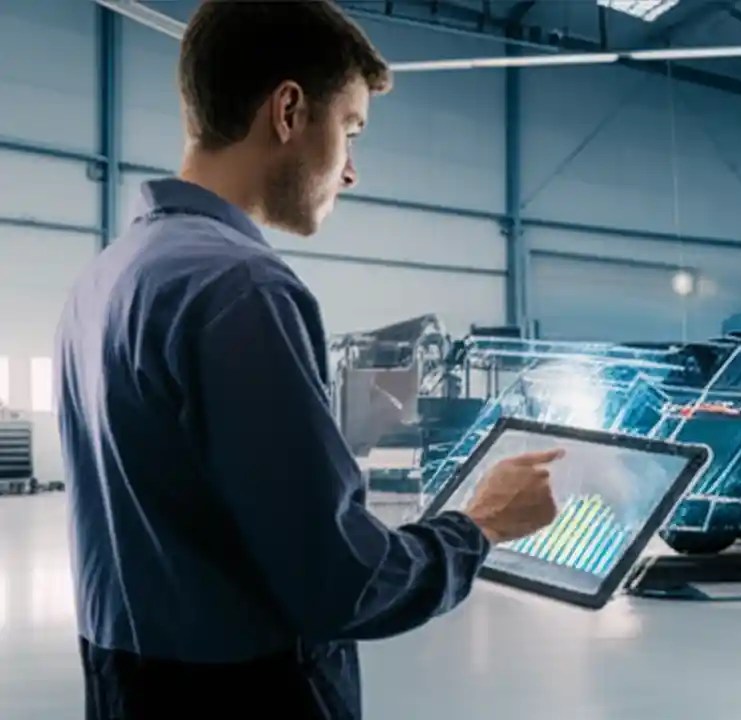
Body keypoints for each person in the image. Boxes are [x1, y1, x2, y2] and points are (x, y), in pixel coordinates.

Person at [54, 2, 560, 718]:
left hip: (129, 685)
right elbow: (343, 584)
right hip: (243, 694)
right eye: (350, 130)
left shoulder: (106, 276)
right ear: (289, 110)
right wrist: (479, 527)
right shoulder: (240, 286)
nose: (351, 171)